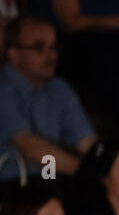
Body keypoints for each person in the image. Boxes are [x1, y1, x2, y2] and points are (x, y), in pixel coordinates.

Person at [0, 16, 96, 184]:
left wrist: (109, 165)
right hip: (10, 191)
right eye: (39, 48)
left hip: (49, 184)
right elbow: (29, 146)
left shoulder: (58, 88)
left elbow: (88, 143)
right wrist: (90, 172)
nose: (50, 55)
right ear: (13, 53)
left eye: (54, 47)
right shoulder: (3, 88)